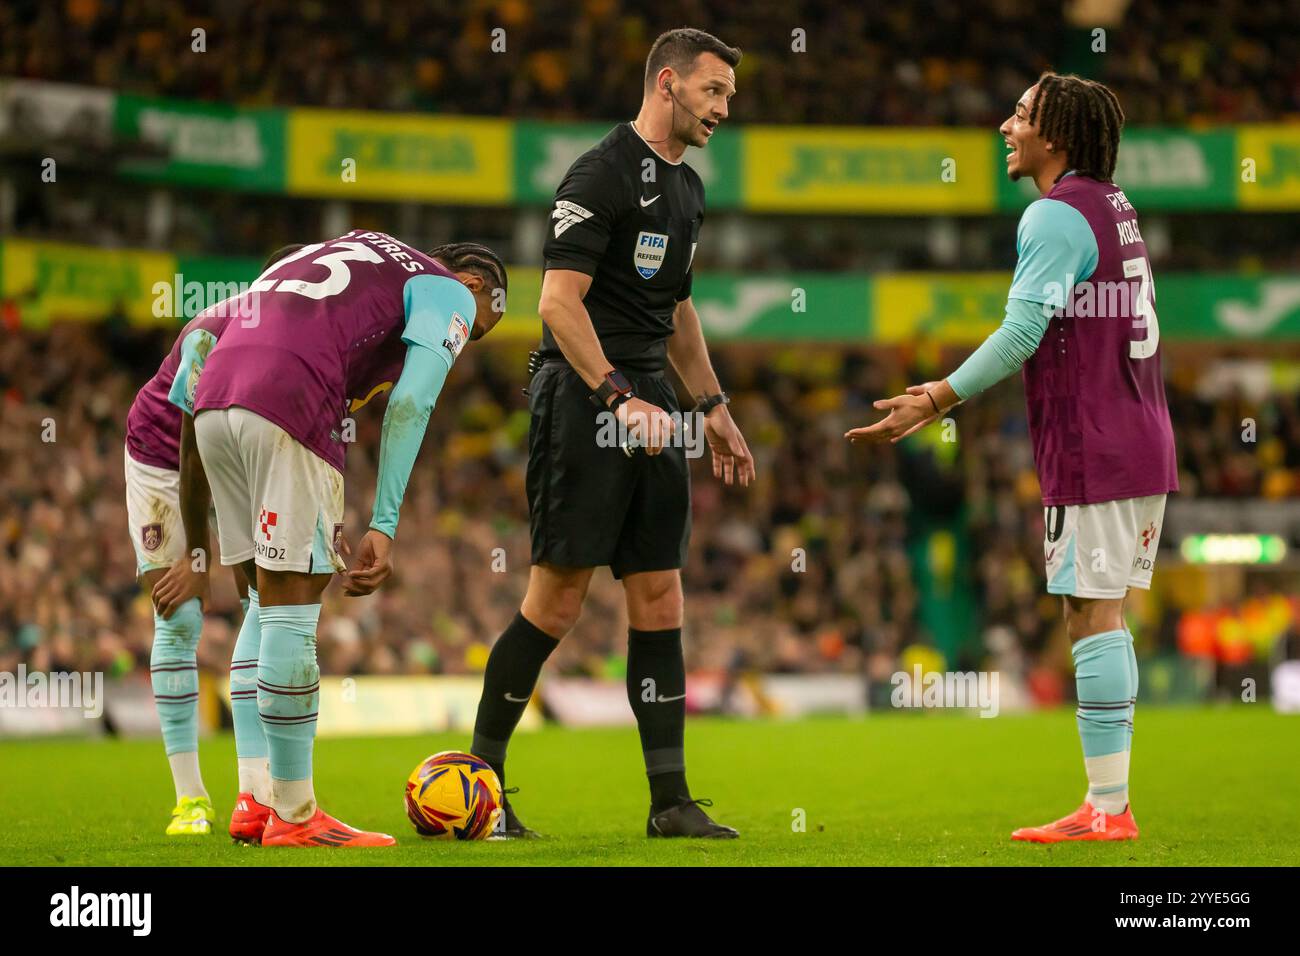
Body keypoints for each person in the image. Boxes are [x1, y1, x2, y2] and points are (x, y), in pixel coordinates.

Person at [846, 73, 1177, 842]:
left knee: (1091, 614)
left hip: (1095, 445)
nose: (1005, 125)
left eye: (1021, 115)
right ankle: (1108, 802)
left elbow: (1021, 334)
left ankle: (1110, 809)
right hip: (1140, 440)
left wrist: (935, 398)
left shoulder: (1053, 216)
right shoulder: (1115, 207)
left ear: (1054, 137)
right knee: (1100, 612)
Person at [469, 28, 756, 839]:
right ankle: (483, 788)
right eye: (713, 92)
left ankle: (670, 803)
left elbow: (679, 312)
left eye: (728, 96)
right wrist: (616, 395)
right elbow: (557, 305)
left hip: (656, 405)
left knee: (661, 597)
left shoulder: (688, 190)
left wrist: (713, 408)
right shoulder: (597, 173)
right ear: (667, 83)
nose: (723, 109)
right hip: (588, 398)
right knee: (556, 601)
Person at [193, 233, 507, 846]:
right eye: (479, 329)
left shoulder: (353, 248)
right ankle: (295, 814)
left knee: (262, 600)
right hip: (290, 397)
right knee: (292, 611)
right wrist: (384, 524)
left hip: (214, 398)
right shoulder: (452, 293)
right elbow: (412, 403)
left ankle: (254, 799)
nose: (465, 341)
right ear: (474, 288)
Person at [123, 244, 301, 836]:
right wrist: (198, 558)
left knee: (267, 599)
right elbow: (192, 451)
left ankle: (255, 791)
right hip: (161, 456)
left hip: (237, 458)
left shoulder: (302, 338)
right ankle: (190, 798)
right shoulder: (214, 330)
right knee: (178, 615)